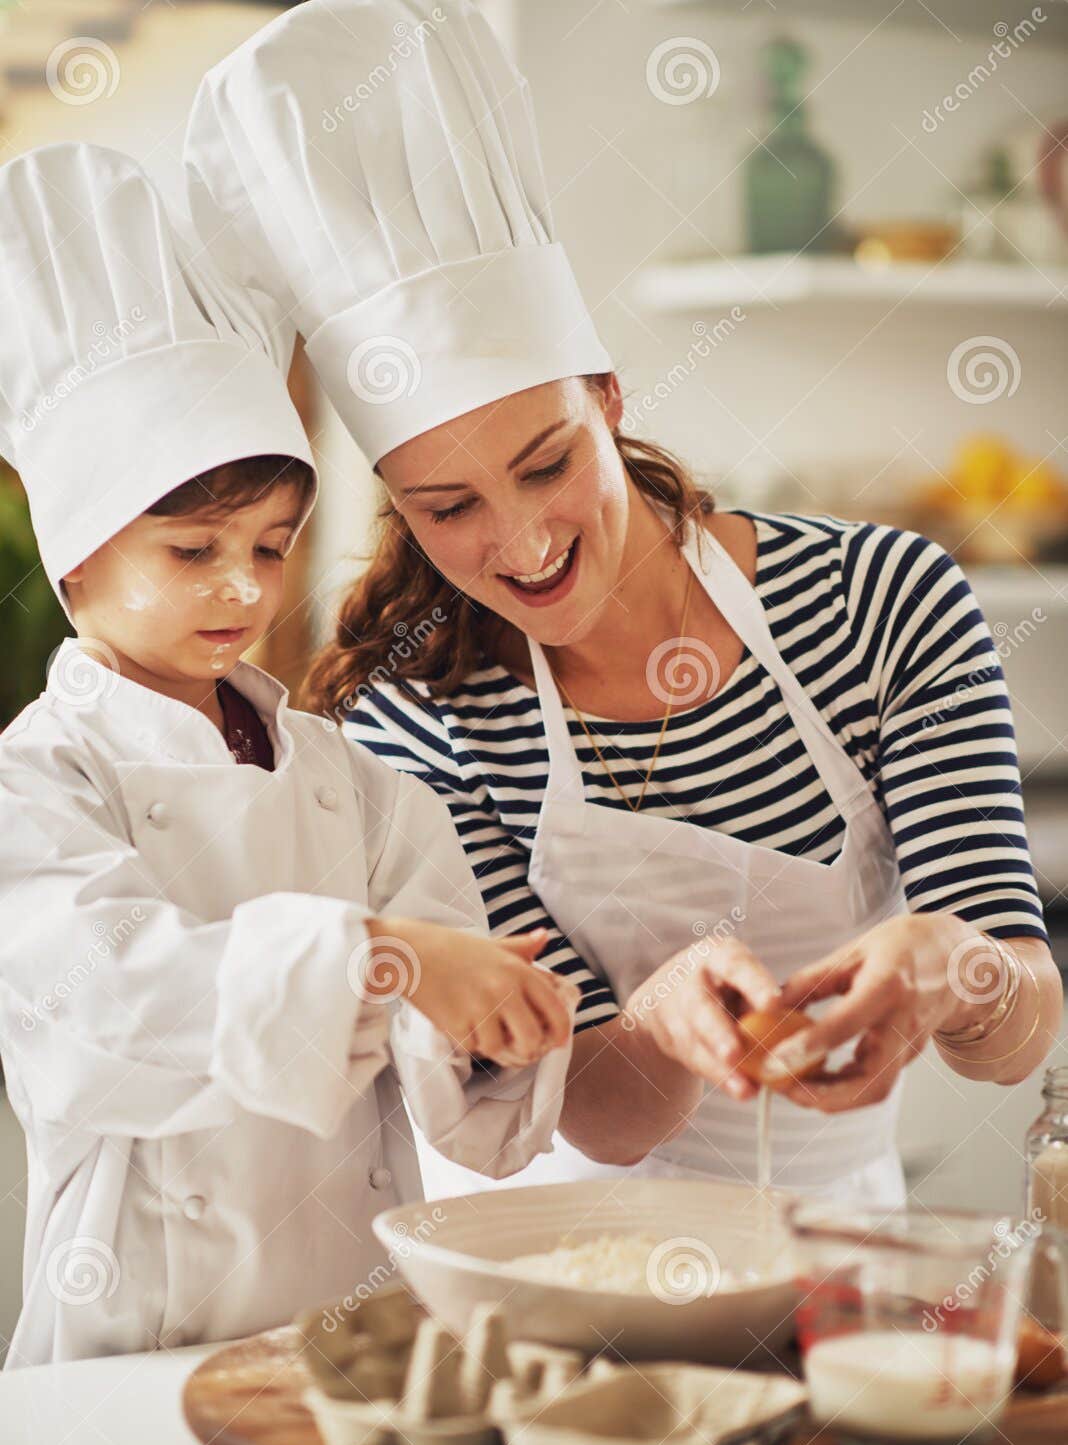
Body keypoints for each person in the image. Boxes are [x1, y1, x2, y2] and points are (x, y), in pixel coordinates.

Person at [184, 0, 1061, 1205]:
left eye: (547, 463)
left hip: (834, 1259)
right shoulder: (420, 711)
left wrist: (957, 964)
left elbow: (1014, 1037)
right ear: (396, 500)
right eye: (450, 508)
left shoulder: (883, 600)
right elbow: (604, 1114)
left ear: (607, 395)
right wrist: (652, 1020)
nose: (524, 540)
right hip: (547, 1269)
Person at [0, 141, 576, 1367]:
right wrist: (393, 963)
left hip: (352, 1331)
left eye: (272, 546)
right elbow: (106, 1011)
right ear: (78, 557)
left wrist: (486, 1028)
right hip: (135, 1341)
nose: (245, 588)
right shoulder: (35, 781)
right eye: (194, 549)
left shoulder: (348, 775)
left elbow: (447, 1073)